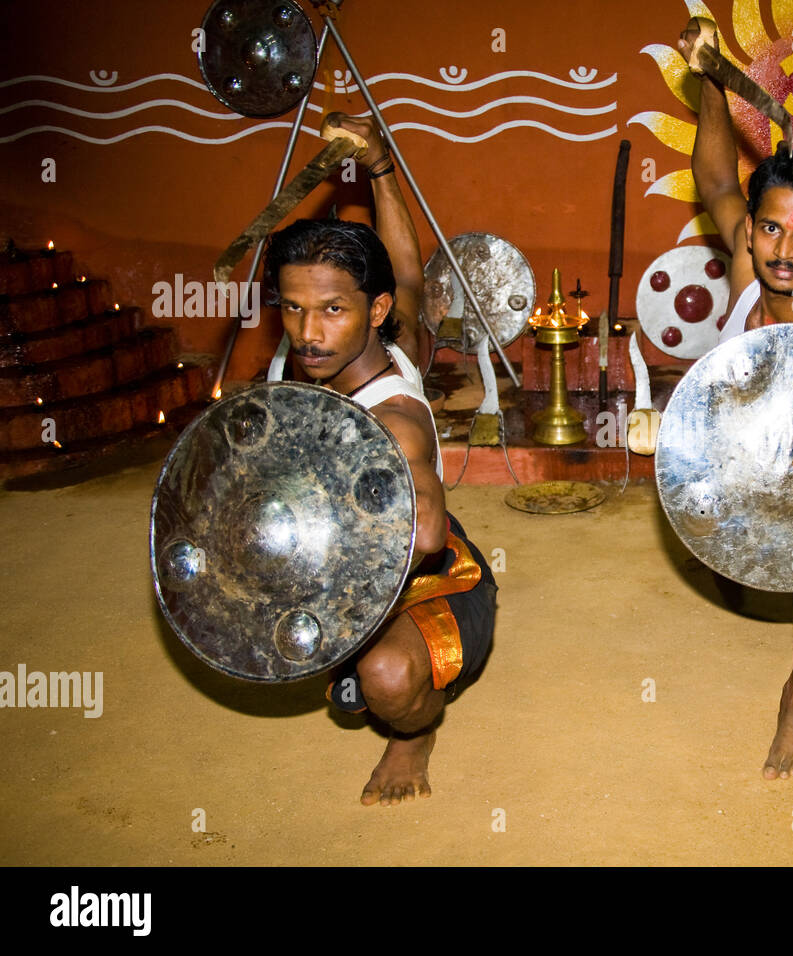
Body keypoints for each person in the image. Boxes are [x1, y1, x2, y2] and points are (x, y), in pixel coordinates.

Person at [261, 114, 496, 806]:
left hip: (431, 578)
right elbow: (405, 269)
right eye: (294, 308)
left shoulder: (393, 419)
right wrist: (381, 166)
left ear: (375, 310)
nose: (309, 332)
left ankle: (413, 735)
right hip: (336, 551)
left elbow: (421, 540)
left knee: (384, 681)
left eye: (333, 308)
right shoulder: (355, 340)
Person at [677, 25, 793, 780]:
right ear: (752, 235)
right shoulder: (749, 273)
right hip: (733, 450)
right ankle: (737, 556)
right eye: (771, 229)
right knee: (728, 564)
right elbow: (719, 179)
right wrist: (712, 80)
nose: (786, 251)